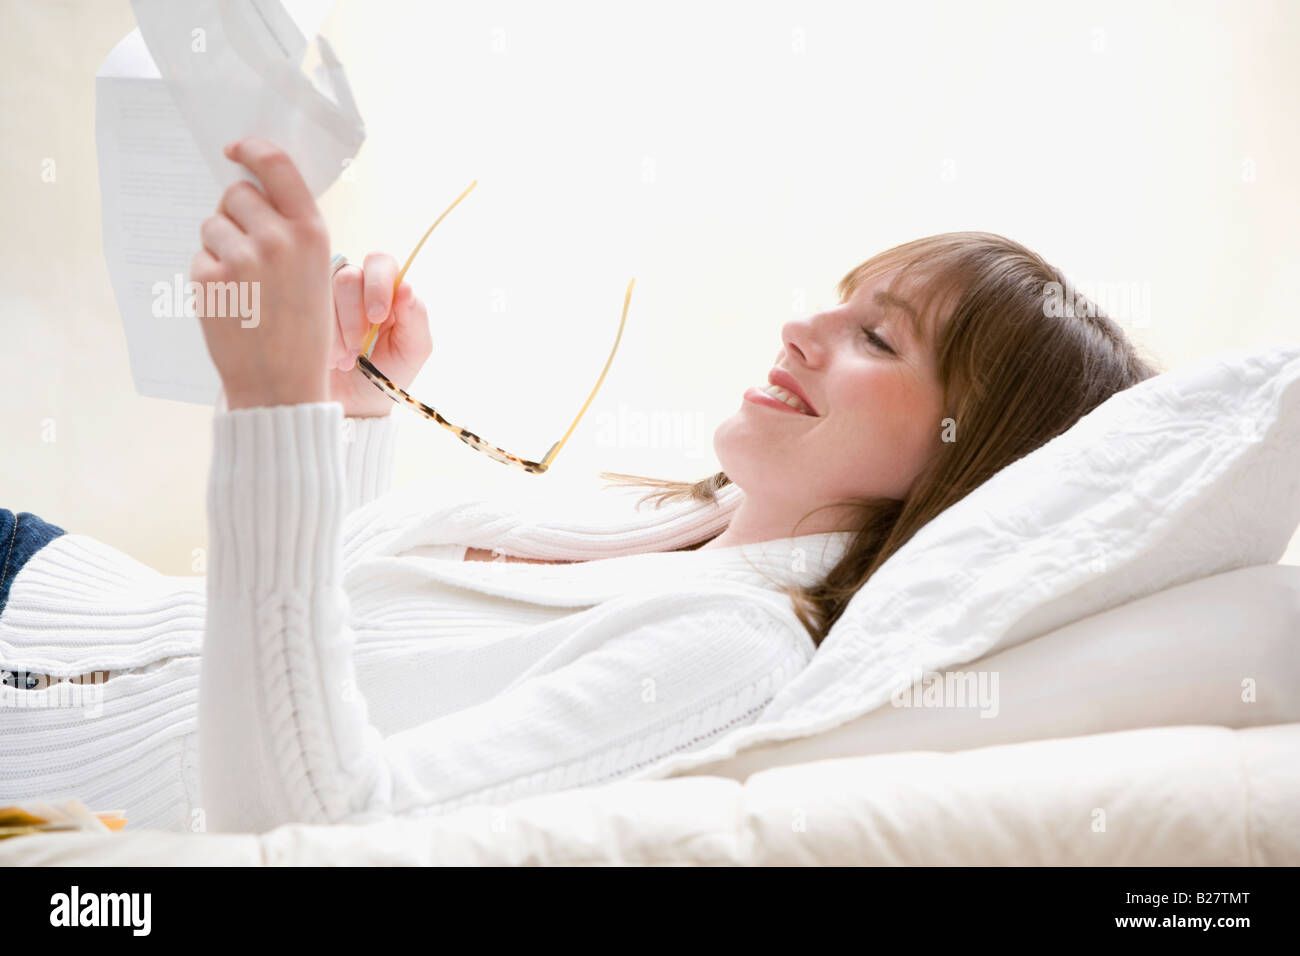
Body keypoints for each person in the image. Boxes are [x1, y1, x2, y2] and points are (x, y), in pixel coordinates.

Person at [0, 137, 1157, 833]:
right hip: (45, 583)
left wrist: (273, 415)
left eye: (879, 337)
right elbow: (344, 638)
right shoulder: (670, 527)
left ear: (960, 458)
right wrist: (346, 407)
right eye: (838, 298)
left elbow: (320, 826)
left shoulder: (732, 652)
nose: (805, 325)